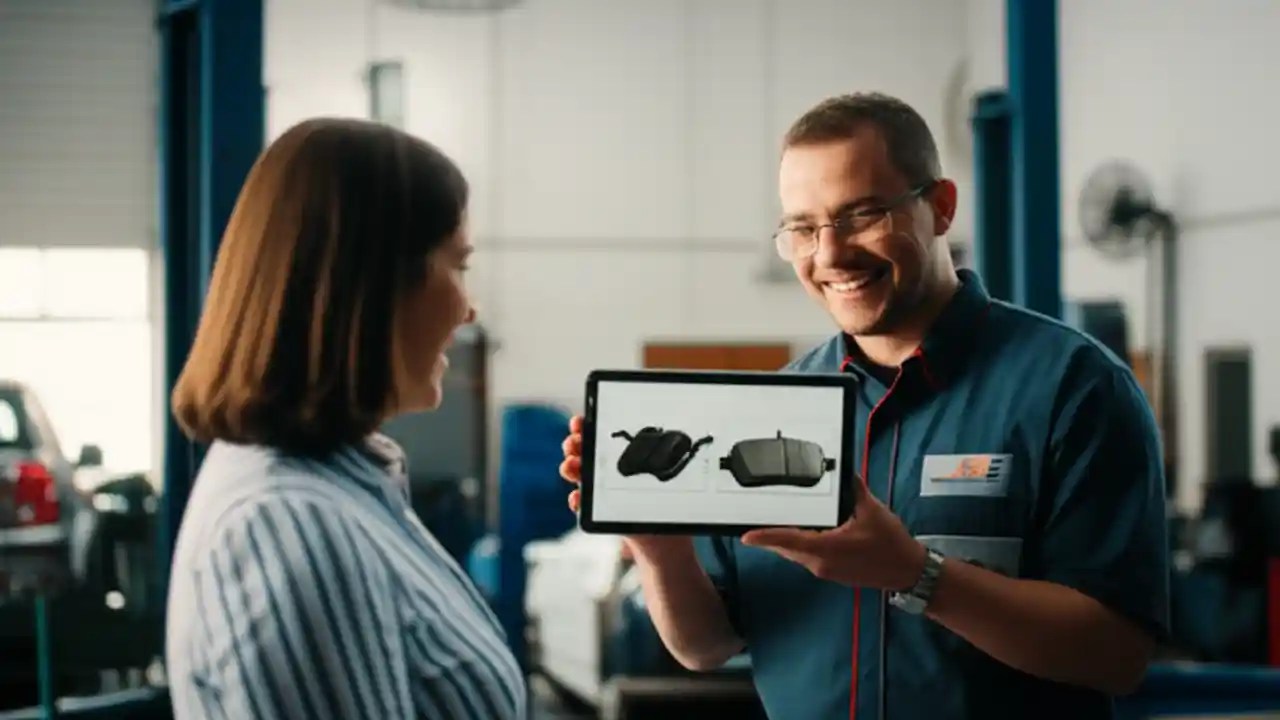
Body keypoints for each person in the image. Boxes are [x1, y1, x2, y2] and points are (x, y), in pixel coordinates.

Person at [559, 92, 1169, 719]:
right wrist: (660, 550)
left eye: (862, 214)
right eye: (802, 227)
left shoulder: (1072, 389)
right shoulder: (773, 410)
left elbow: (1116, 654)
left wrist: (917, 574)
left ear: (941, 207)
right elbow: (708, 644)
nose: (830, 255)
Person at [165, 118, 527, 720]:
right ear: (376, 283)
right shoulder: (290, 524)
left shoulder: (342, 486)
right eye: (457, 266)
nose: (468, 308)